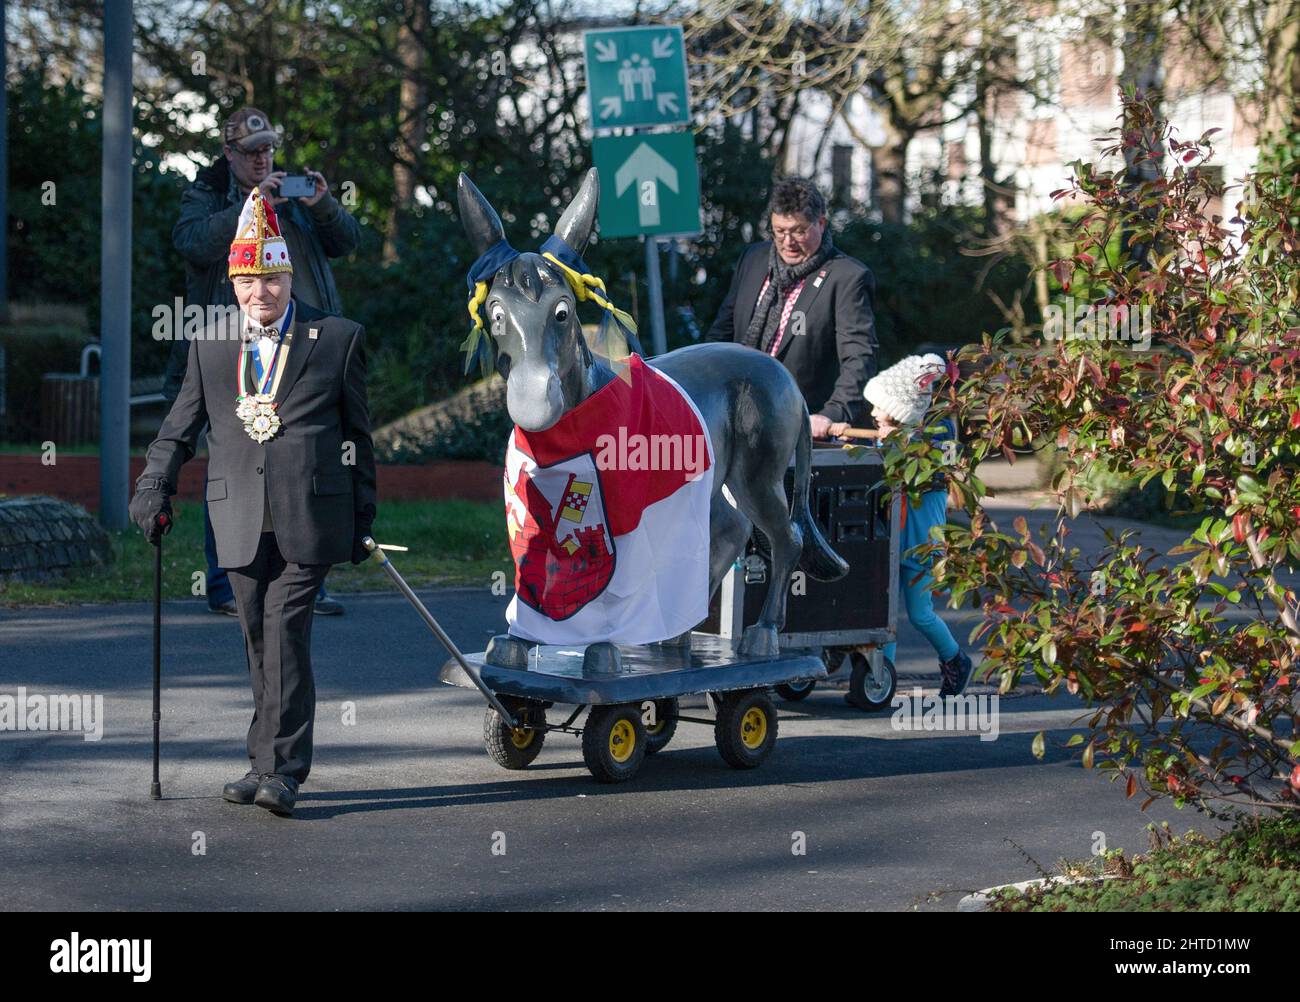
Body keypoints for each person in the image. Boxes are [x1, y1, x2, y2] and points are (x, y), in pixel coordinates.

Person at [130, 188, 377, 816]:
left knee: (286, 631)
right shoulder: (210, 344)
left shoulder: (337, 338)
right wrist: (155, 486)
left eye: (270, 279)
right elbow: (178, 427)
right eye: (247, 280)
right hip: (237, 514)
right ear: (234, 281)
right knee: (256, 641)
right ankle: (261, 760)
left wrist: (361, 518)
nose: (258, 293)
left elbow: (358, 439)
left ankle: (287, 769)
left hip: (310, 515)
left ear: (288, 275)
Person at [168, 107, 362, 617]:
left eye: (268, 150)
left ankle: (305, 583)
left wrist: (322, 206)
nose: (262, 159)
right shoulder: (208, 193)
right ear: (229, 154)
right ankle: (227, 584)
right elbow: (189, 242)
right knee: (233, 463)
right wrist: (251, 206)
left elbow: (349, 242)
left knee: (305, 460)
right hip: (236, 345)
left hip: (306, 346)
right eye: (251, 152)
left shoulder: (294, 198)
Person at [831, 354, 973, 702]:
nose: (874, 414)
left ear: (903, 409)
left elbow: (941, 467)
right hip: (889, 540)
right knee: (882, 611)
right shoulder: (887, 437)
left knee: (921, 614)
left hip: (921, 542)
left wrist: (898, 441)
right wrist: (841, 439)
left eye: (880, 407)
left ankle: (955, 659)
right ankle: (881, 674)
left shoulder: (937, 433)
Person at [705, 176, 878, 435]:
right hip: (736, 415)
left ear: (820, 223)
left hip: (801, 423)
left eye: (798, 231)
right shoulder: (753, 259)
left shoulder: (847, 277)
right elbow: (722, 332)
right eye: (779, 231)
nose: (787, 242)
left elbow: (859, 356)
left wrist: (833, 413)